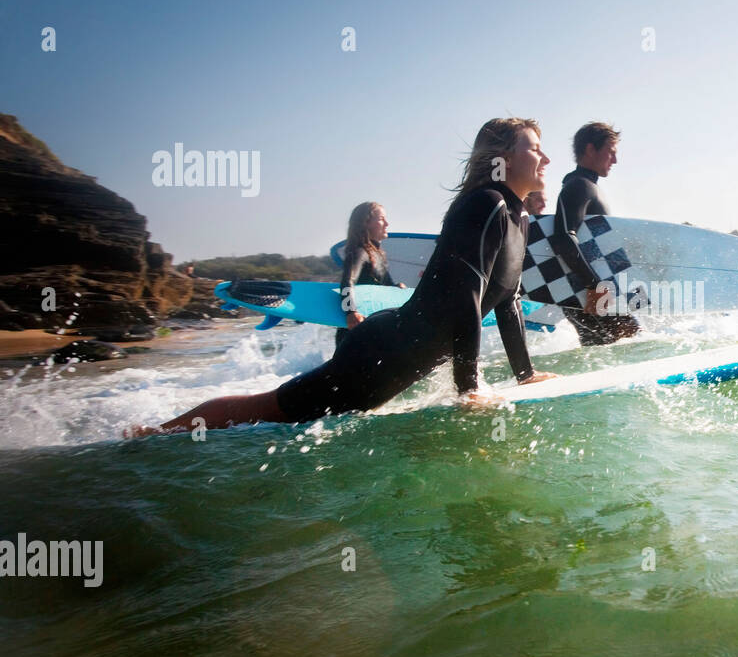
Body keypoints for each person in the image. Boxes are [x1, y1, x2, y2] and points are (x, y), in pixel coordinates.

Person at [131, 118, 559, 435]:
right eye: (535, 148)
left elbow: (507, 302)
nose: (545, 157)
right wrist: (470, 390)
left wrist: (526, 374)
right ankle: (157, 434)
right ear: (501, 158)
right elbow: (467, 297)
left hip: (402, 361)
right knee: (272, 408)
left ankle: (163, 432)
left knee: (284, 411)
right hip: (381, 353)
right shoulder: (484, 203)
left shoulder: (518, 220)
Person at [551, 122, 640, 346]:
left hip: (594, 289)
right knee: (628, 344)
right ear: (590, 149)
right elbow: (562, 236)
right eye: (611, 152)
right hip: (590, 291)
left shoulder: (585, 185)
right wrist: (593, 286)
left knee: (611, 350)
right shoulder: (579, 186)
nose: (615, 160)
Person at [337, 202, 405, 351]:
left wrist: (397, 288)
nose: (387, 224)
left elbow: (386, 286)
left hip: (372, 327)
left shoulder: (377, 255)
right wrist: (350, 312)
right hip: (354, 329)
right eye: (381, 219)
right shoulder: (359, 252)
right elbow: (347, 281)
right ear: (365, 223)